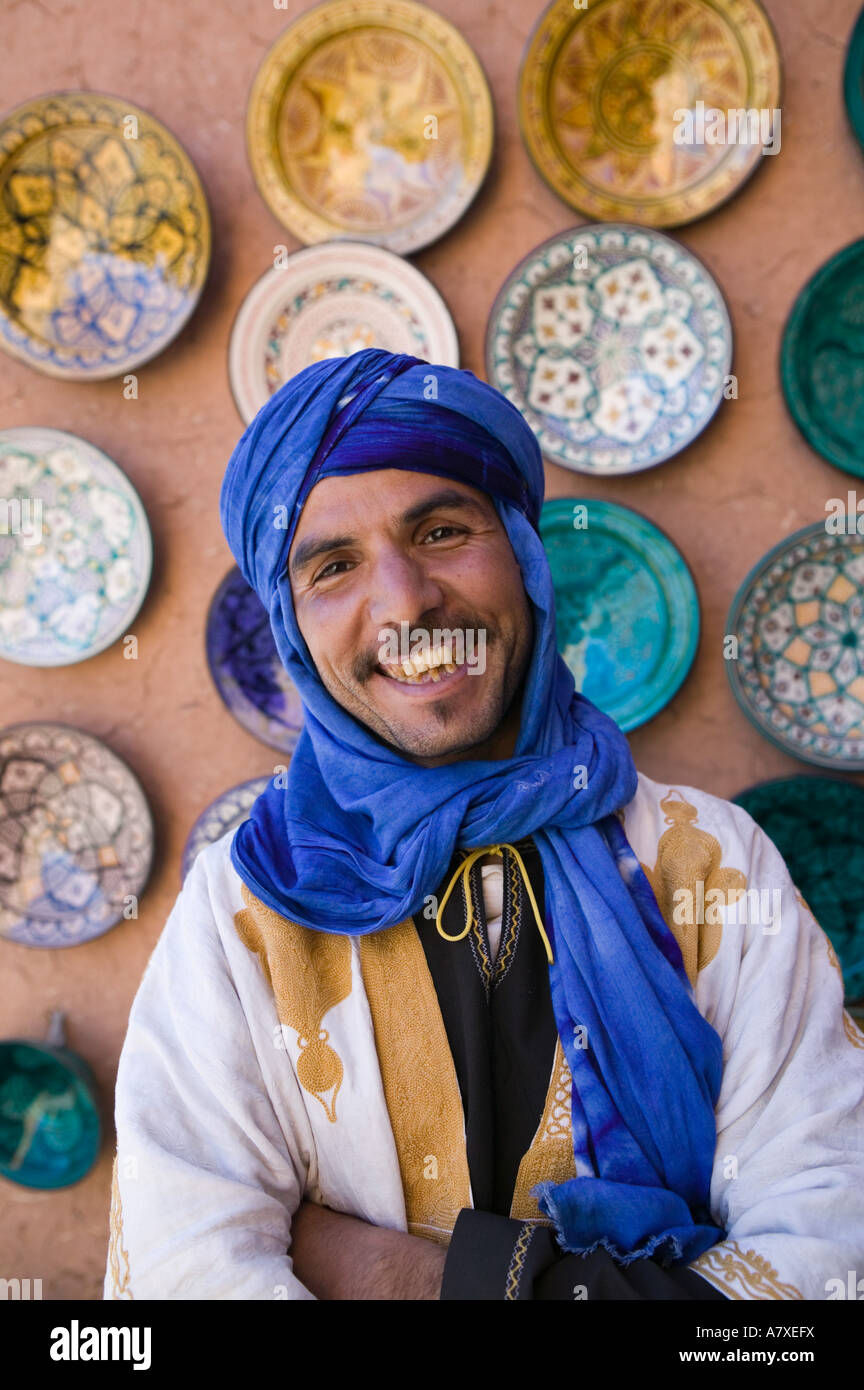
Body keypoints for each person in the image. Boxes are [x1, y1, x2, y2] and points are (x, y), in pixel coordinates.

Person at [104, 349, 864, 1301]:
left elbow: (830, 1257)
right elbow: (191, 1274)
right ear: (293, 630)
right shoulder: (243, 912)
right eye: (334, 566)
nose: (406, 603)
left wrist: (435, 1280)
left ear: (524, 553)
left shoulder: (706, 863)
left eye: (442, 531)